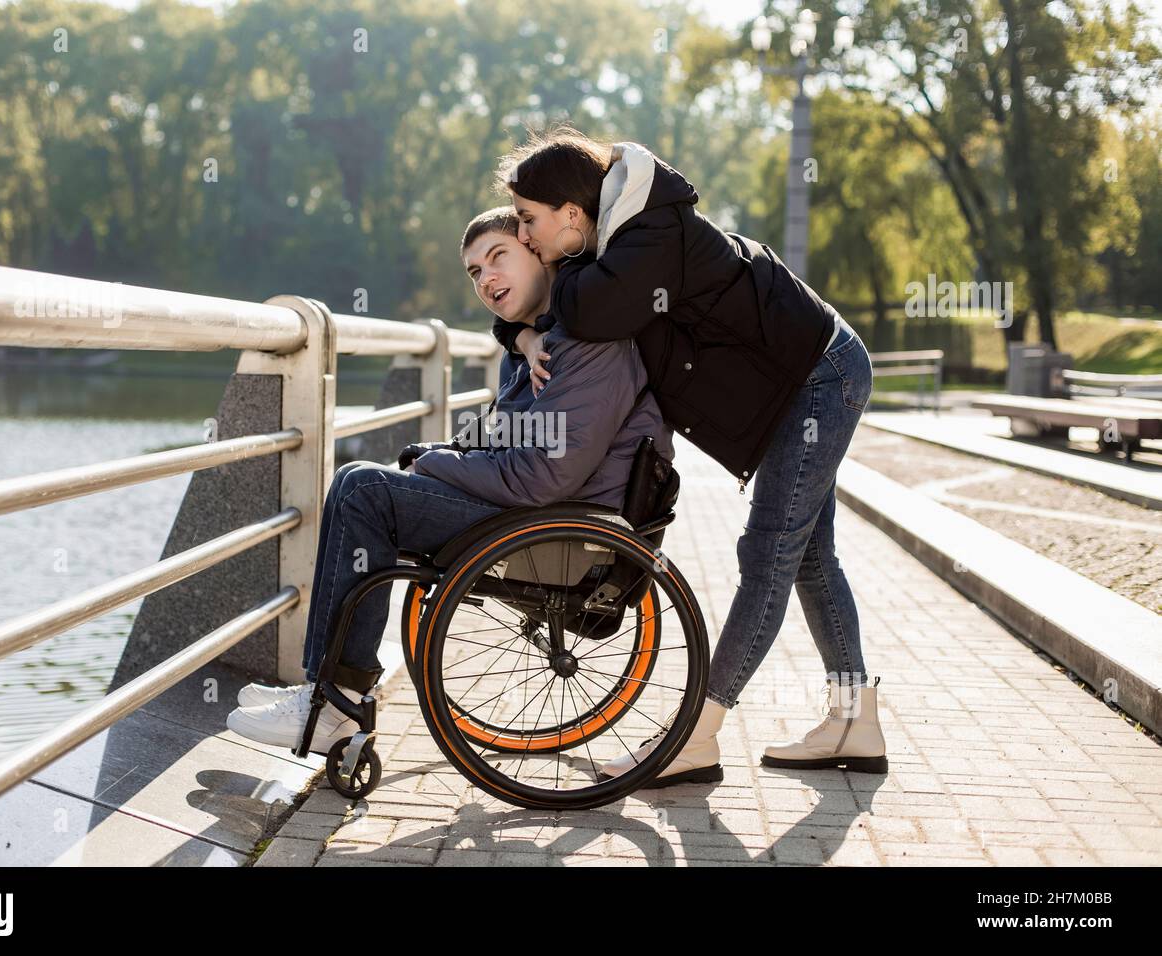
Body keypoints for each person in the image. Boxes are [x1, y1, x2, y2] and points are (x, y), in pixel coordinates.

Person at [489, 127, 887, 780]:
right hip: (794, 383)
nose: (526, 238)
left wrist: (539, 309)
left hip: (820, 374)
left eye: (529, 221)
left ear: (570, 212)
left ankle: (695, 736)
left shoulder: (648, 234)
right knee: (810, 558)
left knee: (769, 555)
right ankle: (855, 720)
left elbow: (586, 308)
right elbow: (534, 302)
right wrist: (523, 333)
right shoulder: (609, 245)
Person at [225, 207, 687, 762]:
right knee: (356, 481)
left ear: (539, 251)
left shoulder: (587, 341)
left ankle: (335, 702)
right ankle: (325, 689)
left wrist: (433, 464)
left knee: (364, 492)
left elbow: (544, 472)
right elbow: (508, 442)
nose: (487, 279)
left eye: (499, 258)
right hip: (541, 511)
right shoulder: (538, 342)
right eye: (474, 272)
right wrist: (441, 452)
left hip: (567, 532)